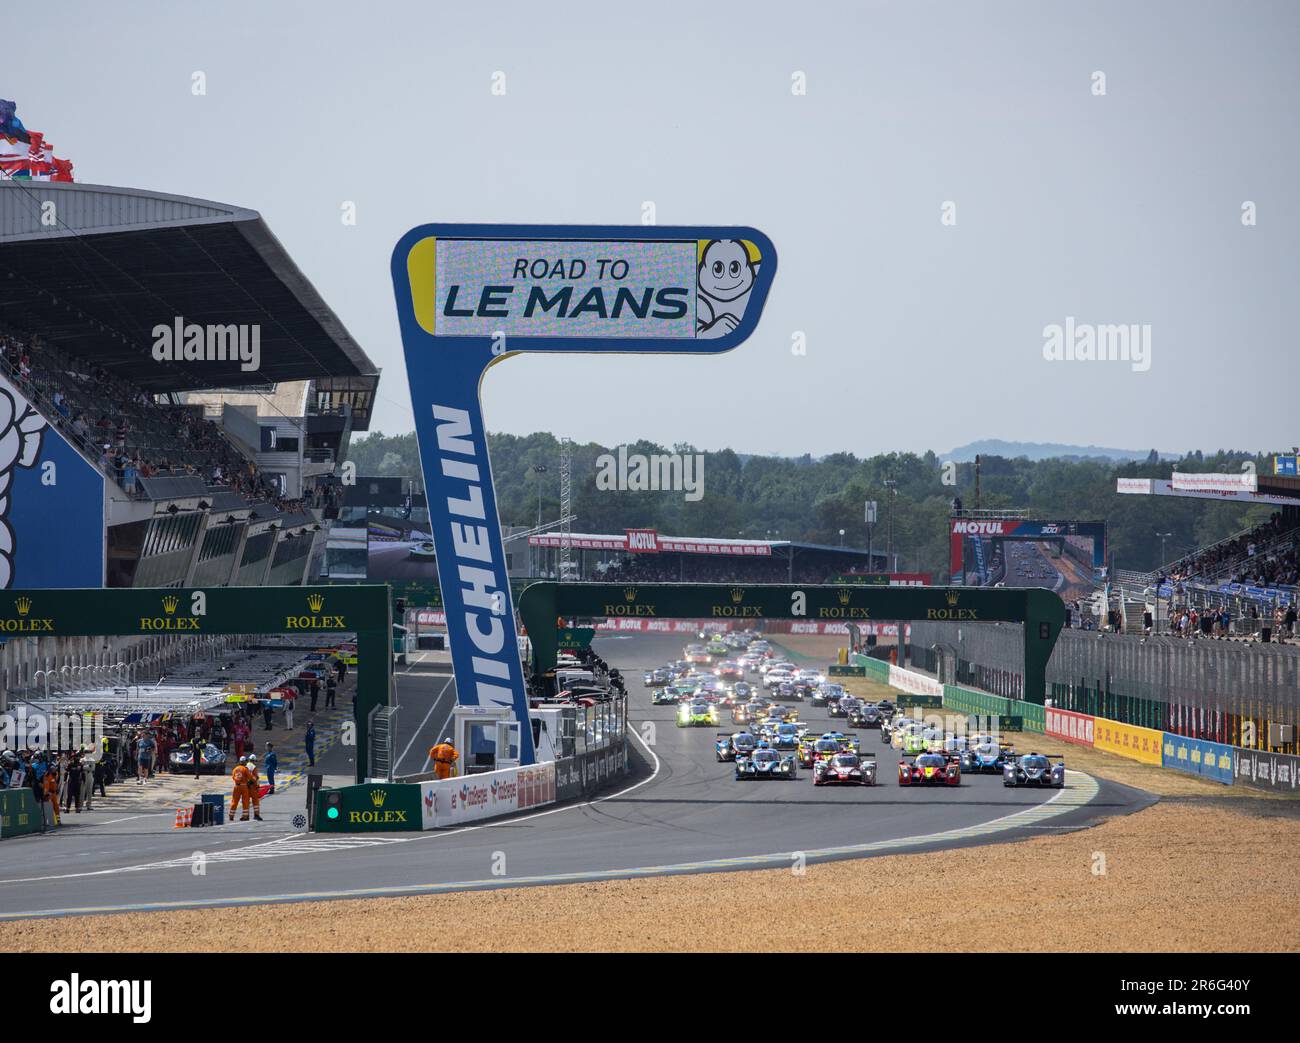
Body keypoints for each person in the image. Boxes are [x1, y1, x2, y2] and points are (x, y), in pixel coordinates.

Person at [229, 756, 252, 822]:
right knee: (245, 802)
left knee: (234, 801)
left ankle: (231, 816)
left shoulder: (235, 769)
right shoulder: (245, 769)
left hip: (236, 786)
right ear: (244, 762)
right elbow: (250, 777)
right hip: (244, 787)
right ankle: (245, 816)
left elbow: (233, 777)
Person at [245, 754, 263, 820]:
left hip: (246, 786)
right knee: (255, 802)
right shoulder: (253, 767)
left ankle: (246, 816)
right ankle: (256, 815)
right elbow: (256, 777)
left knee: (246, 801)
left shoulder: (245, 766)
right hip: (253, 787)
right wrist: (258, 786)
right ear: (254, 760)